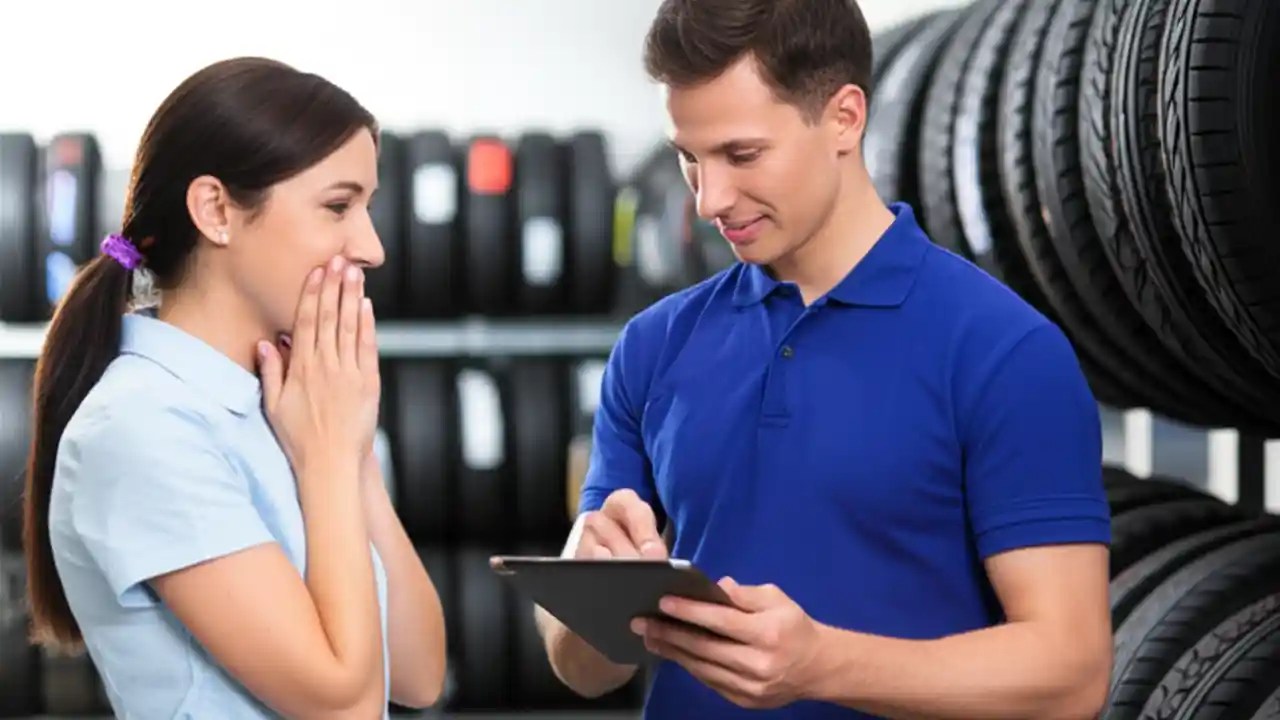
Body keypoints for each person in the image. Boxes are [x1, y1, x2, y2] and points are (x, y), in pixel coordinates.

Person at [537, 1, 1113, 718]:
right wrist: (590, 592)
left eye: (742, 155)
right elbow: (583, 669)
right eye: (690, 158)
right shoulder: (653, 346)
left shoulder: (1005, 352)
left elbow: (1072, 674)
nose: (710, 199)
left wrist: (822, 665)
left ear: (844, 117)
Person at [21, 57, 447, 719]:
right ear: (216, 209)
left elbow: (418, 675)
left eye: (367, 208)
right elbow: (347, 708)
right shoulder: (140, 429)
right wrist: (330, 458)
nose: (372, 247)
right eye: (338, 206)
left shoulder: (290, 407)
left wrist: (352, 453)